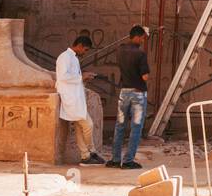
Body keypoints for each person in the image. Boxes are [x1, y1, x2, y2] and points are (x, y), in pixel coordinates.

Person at [56, 34, 103, 166]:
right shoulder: (64, 57)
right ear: (80, 46)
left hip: (76, 98)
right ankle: (92, 150)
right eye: (85, 50)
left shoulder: (74, 59)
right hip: (70, 99)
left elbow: (74, 78)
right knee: (88, 125)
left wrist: (84, 77)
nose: (85, 52)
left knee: (79, 127)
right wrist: (82, 77)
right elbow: (63, 77)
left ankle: (85, 156)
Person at [107, 25, 150, 170]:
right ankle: (128, 161)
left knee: (119, 126)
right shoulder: (140, 54)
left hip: (123, 92)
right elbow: (145, 76)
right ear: (137, 37)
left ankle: (115, 159)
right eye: (143, 38)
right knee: (136, 128)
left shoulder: (119, 50)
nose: (143, 41)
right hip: (137, 93)